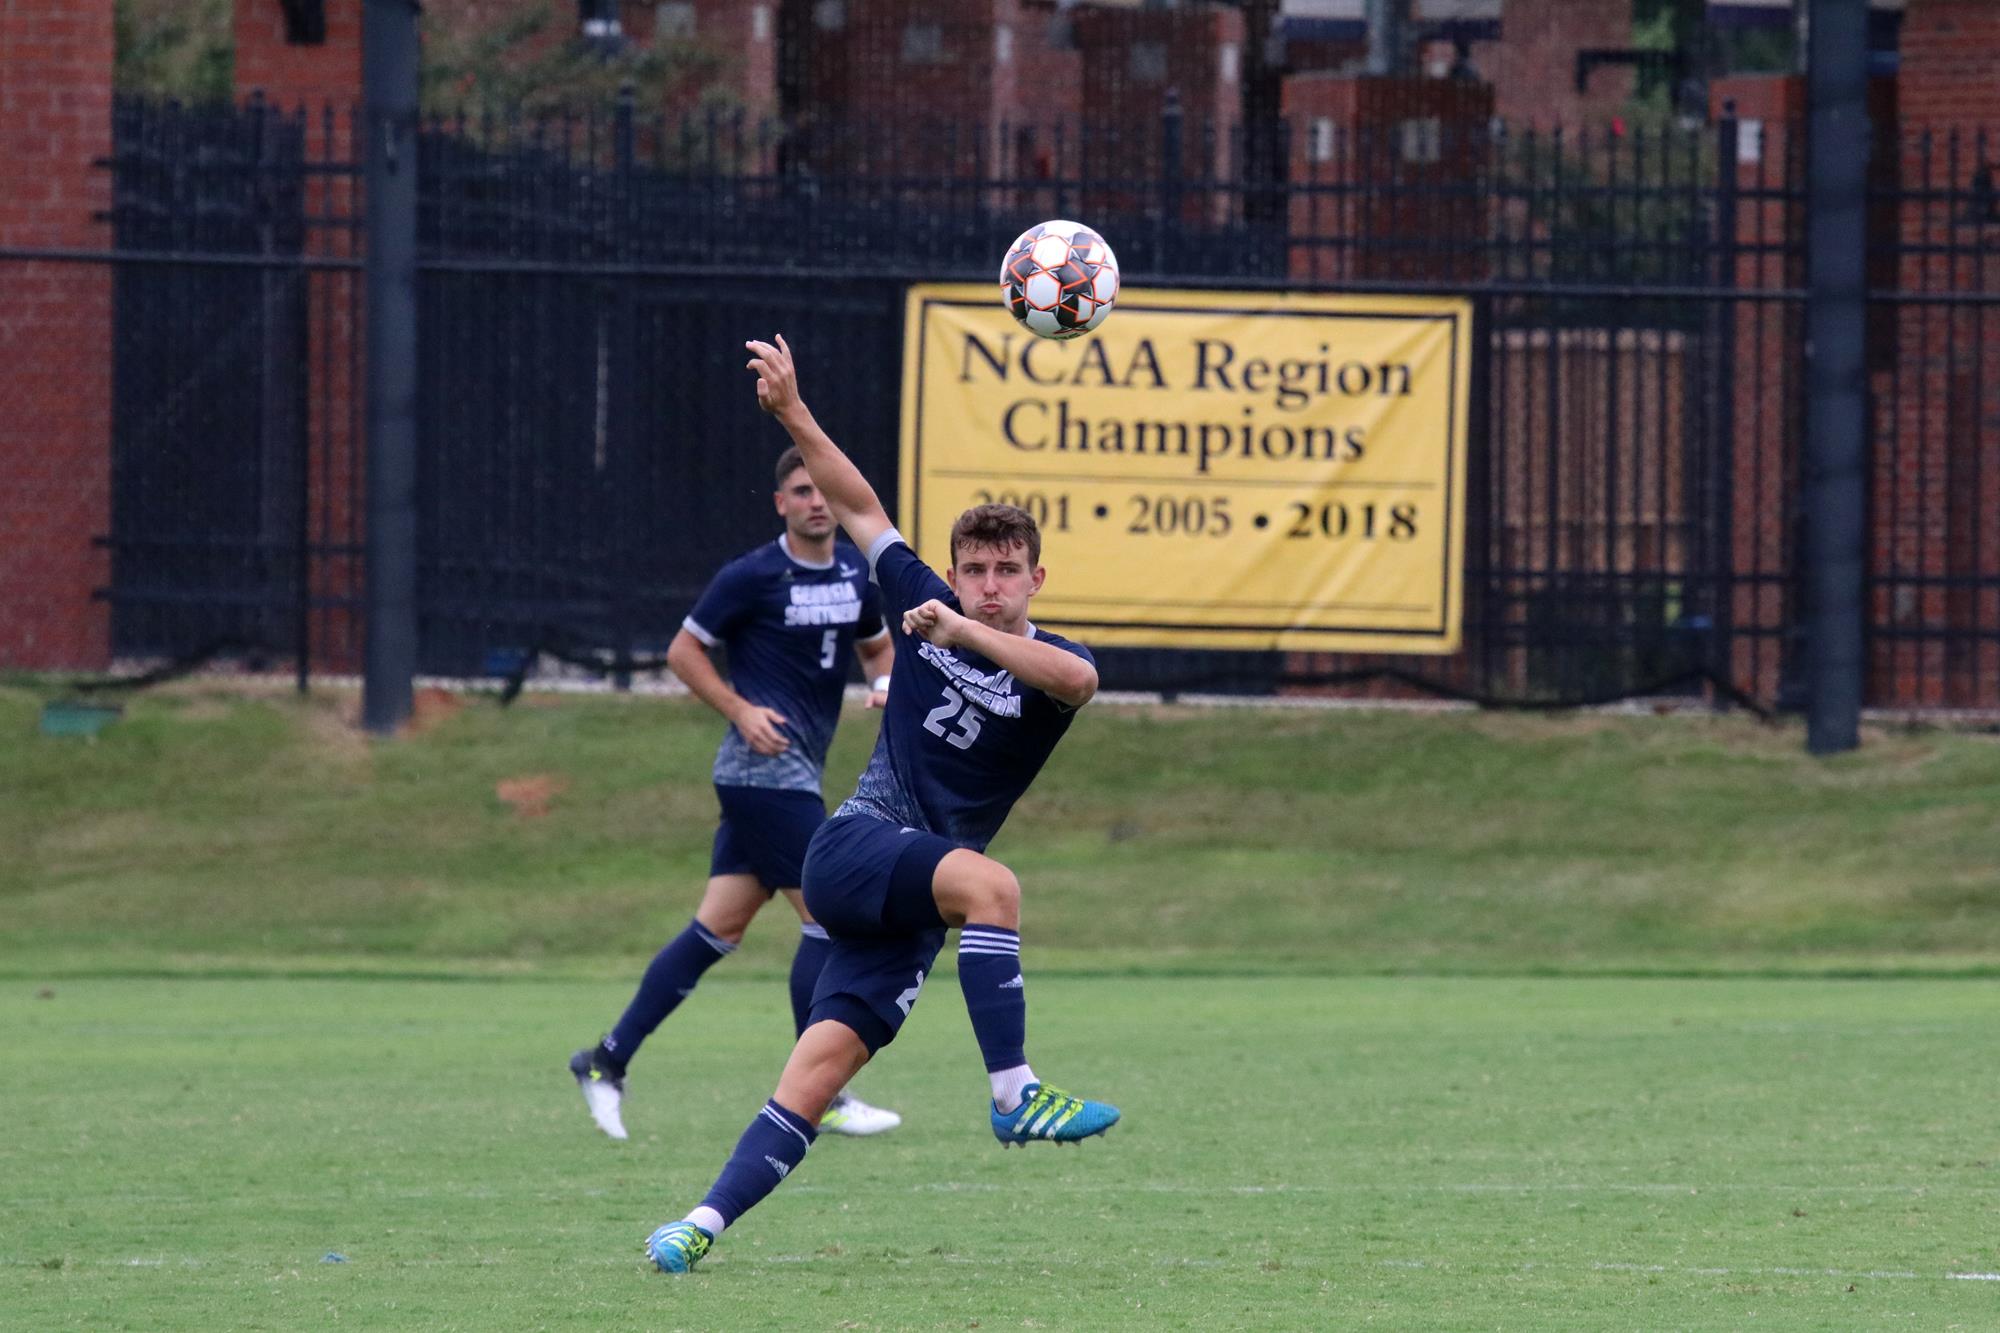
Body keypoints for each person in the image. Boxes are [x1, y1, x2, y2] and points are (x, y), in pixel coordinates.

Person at [643, 334, 1120, 1275]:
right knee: (996, 887)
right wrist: (790, 411)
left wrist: (958, 632)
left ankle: (696, 1224)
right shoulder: (920, 593)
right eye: (971, 569)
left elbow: (1076, 676)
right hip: (855, 847)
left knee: (813, 1081)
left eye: (1005, 571)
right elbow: (857, 501)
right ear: (953, 568)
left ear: (1035, 579)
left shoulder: (1046, 659)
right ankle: (1014, 1091)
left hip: (908, 916)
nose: (986, 586)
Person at [568, 443, 903, 1141]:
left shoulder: (852, 572)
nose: (816, 501)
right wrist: (740, 710)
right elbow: (683, 651)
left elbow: (877, 646)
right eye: (801, 491)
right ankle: (825, 1092)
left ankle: (605, 1061)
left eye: (823, 491)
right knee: (831, 916)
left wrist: (881, 684)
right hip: (760, 775)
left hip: (796, 771)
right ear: (781, 503)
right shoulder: (751, 575)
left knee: (716, 930)